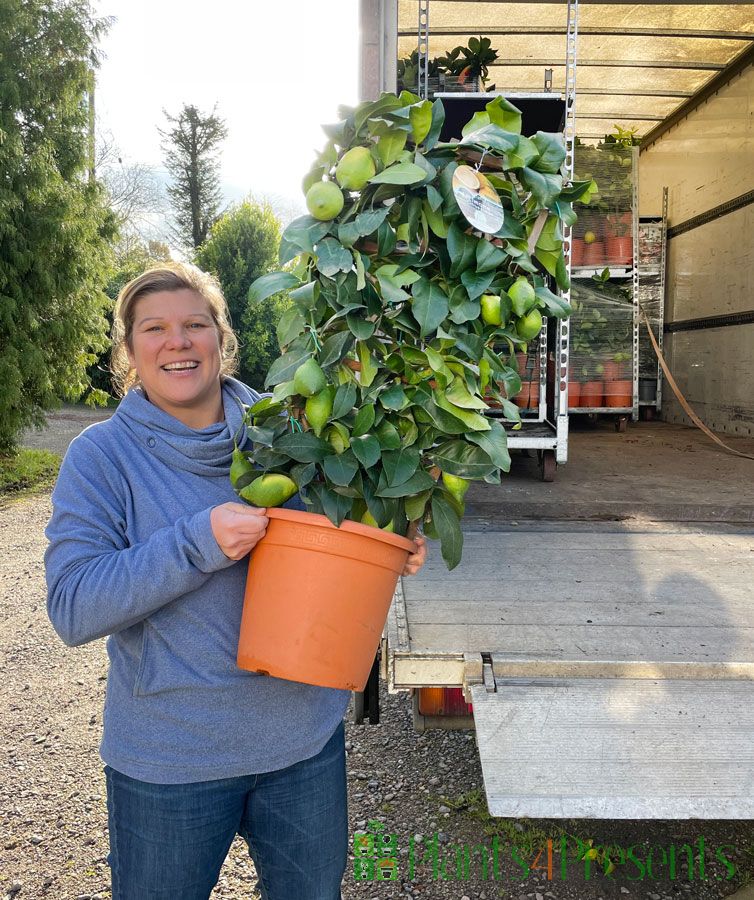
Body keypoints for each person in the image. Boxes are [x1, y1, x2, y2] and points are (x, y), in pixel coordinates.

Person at [44, 263, 427, 900]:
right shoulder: (102, 457)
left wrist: (388, 542)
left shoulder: (291, 433)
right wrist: (197, 543)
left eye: (196, 324)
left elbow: (337, 537)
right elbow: (72, 605)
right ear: (129, 350)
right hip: (172, 759)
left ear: (222, 337)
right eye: (155, 328)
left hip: (301, 744)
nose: (178, 341)